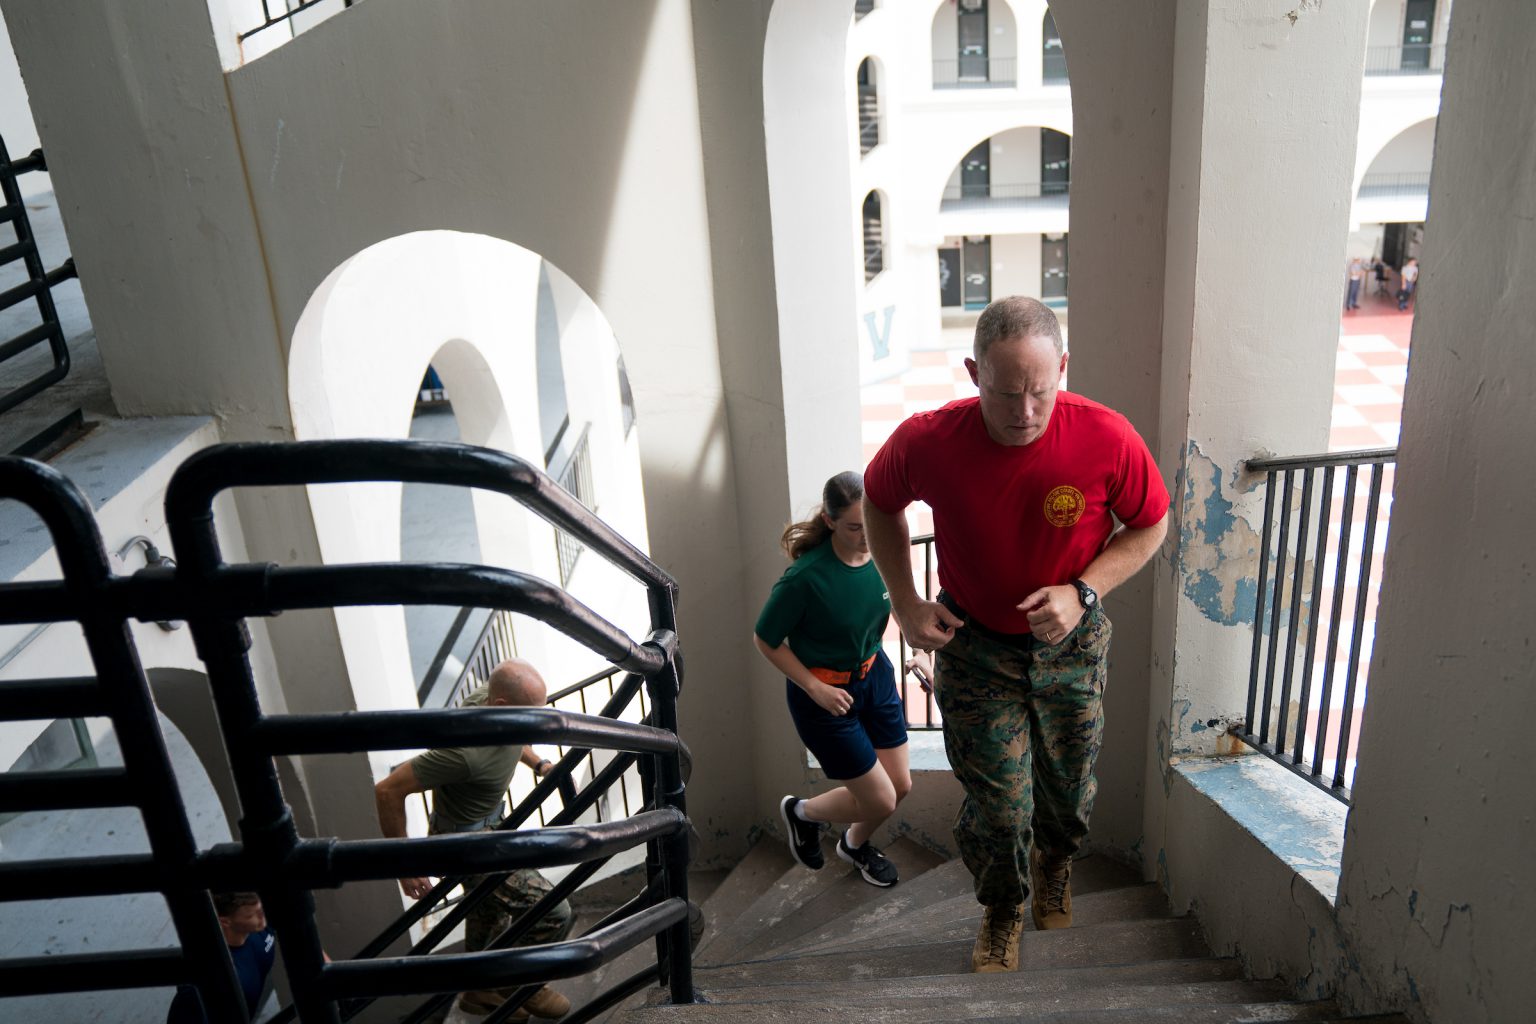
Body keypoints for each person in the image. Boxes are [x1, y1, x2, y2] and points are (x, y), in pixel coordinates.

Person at [862, 296, 1170, 974]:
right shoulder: (928, 440)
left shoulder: (1107, 436)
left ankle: (1056, 862)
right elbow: (878, 504)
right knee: (999, 808)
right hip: (973, 648)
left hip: (1071, 647)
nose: (1025, 412)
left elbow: (1151, 523)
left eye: (1040, 391)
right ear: (975, 374)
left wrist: (1083, 591)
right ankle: (1003, 907)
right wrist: (906, 603)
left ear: (1063, 368)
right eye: (1005, 394)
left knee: (1069, 789)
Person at [374, 658, 572, 1020]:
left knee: (488, 911)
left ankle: (478, 990)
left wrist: (539, 764)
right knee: (553, 911)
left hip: (492, 825)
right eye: (530, 714)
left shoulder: (493, 699)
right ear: (500, 706)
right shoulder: (463, 754)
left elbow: (516, 740)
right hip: (466, 845)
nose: (535, 723)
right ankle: (517, 983)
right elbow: (387, 790)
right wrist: (405, 865)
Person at [754, 471, 914, 887]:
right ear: (829, 521)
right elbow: (765, 639)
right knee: (881, 799)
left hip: (874, 676)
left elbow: (900, 603)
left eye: (871, 524)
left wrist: (919, 649)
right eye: (854, 527)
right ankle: (801, 813)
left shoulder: (883, 553)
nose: (867, 536)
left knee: (900, 786)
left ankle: (853, 845)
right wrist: (815, 687)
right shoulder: (805, 579)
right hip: (824, 696)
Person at [166, 892, 277, 1023]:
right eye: (251, 915)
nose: (262, 916)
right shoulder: (208, 978)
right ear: (225, 921)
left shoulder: (260, 929)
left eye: (260, 909)